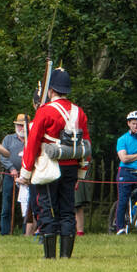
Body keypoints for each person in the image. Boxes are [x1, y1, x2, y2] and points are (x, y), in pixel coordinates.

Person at [19, 68, 90, 259]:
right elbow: (86, 144)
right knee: (67, 210)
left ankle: (50, 257)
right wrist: (81, 172)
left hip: (49, 166)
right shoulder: (79, 112)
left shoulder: (44, 111)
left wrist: (25, 172)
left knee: (47, 208)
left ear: (51, 90)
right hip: (72, 166)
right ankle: (66, 255)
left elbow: (33, 143)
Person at [0, 114, 27, 235]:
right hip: (10, 176)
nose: (21, 128)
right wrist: (11, 169)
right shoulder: (8, 139)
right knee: (6, 206)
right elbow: (2, 156)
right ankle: (5, 232)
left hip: (27, 177)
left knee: (27, 206)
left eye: (23, 126)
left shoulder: (32, 139)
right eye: (19, 125)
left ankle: (26, 232)